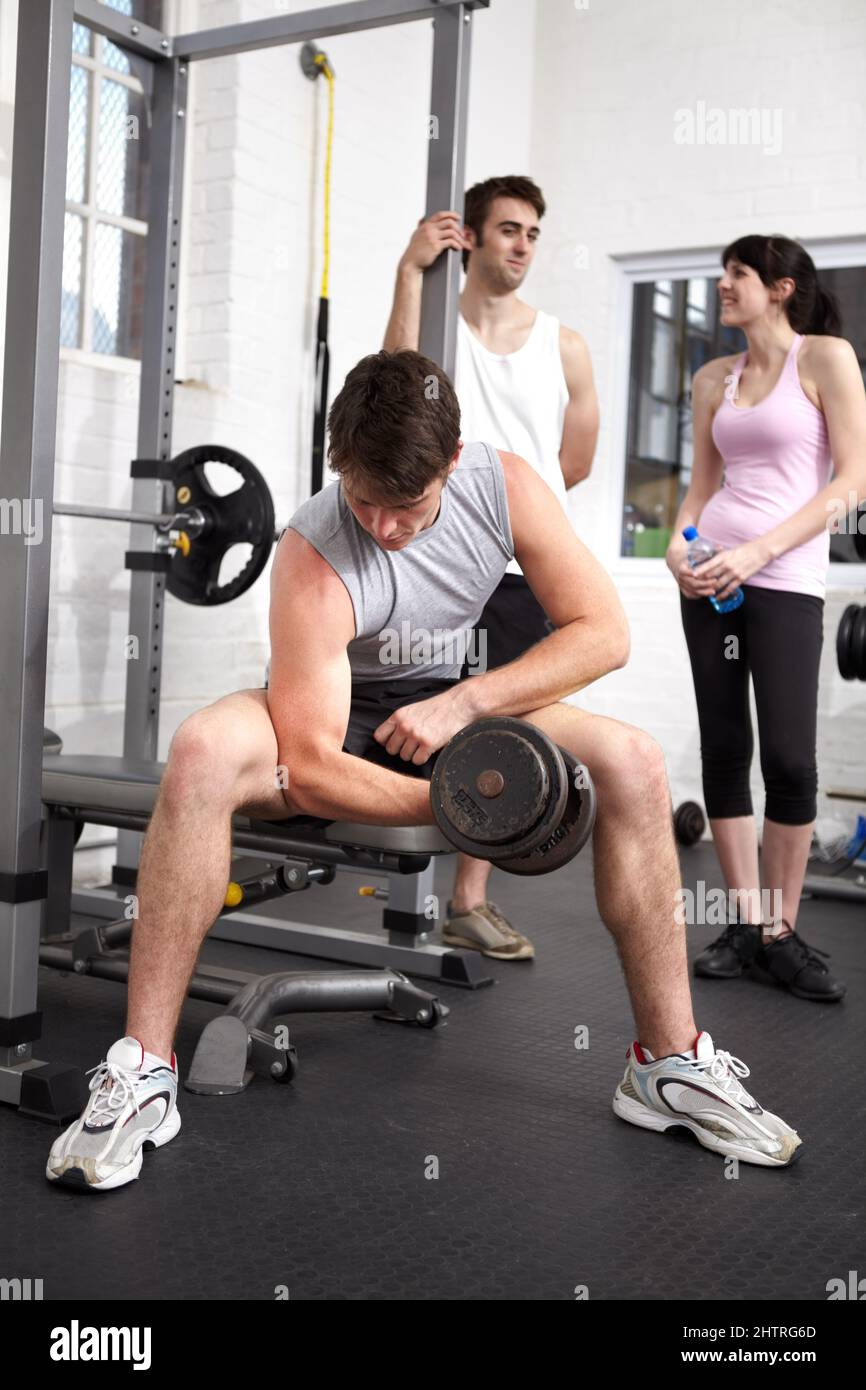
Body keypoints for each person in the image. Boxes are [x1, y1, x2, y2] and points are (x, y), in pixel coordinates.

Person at [47, 351, 802, 1192]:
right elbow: (312, 762)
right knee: (200, 750)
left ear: (452, 462)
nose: (383, 526)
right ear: (339, 463)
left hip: (449, 700)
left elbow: (604, 632)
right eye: (363, 498)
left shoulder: (501, 484)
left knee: (635, 759)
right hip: (329, 710)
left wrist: (467, 705)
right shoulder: (314, 548)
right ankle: (143, 1071)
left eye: (405, 507)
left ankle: (667, 1067)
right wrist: (485, 815)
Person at [383, 175, 599, 961]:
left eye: (534, 233)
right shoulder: (441, 333)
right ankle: (387, 857)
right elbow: (392, 401)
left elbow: (573, 462)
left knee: (500, 722)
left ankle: (469, 900)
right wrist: (409, 272)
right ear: (469, 237)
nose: (523, 246)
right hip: (443, 561)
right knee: (414, 701)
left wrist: (516, 516)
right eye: (509, 229)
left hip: (521, 569)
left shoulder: (563, 345)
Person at [667, 234, 866, 1002]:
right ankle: (746, 924)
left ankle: (781, 932)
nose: (722, 285)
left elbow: (853, 482)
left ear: (780, 288)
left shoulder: (825, 359)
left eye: (737, 274)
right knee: (725, 749)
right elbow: (697, 489)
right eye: (722, 274)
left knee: (788, 758)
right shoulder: (713, 377)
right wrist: (679, 554)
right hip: (710, 582)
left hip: (784, 579)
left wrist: (757, 554)